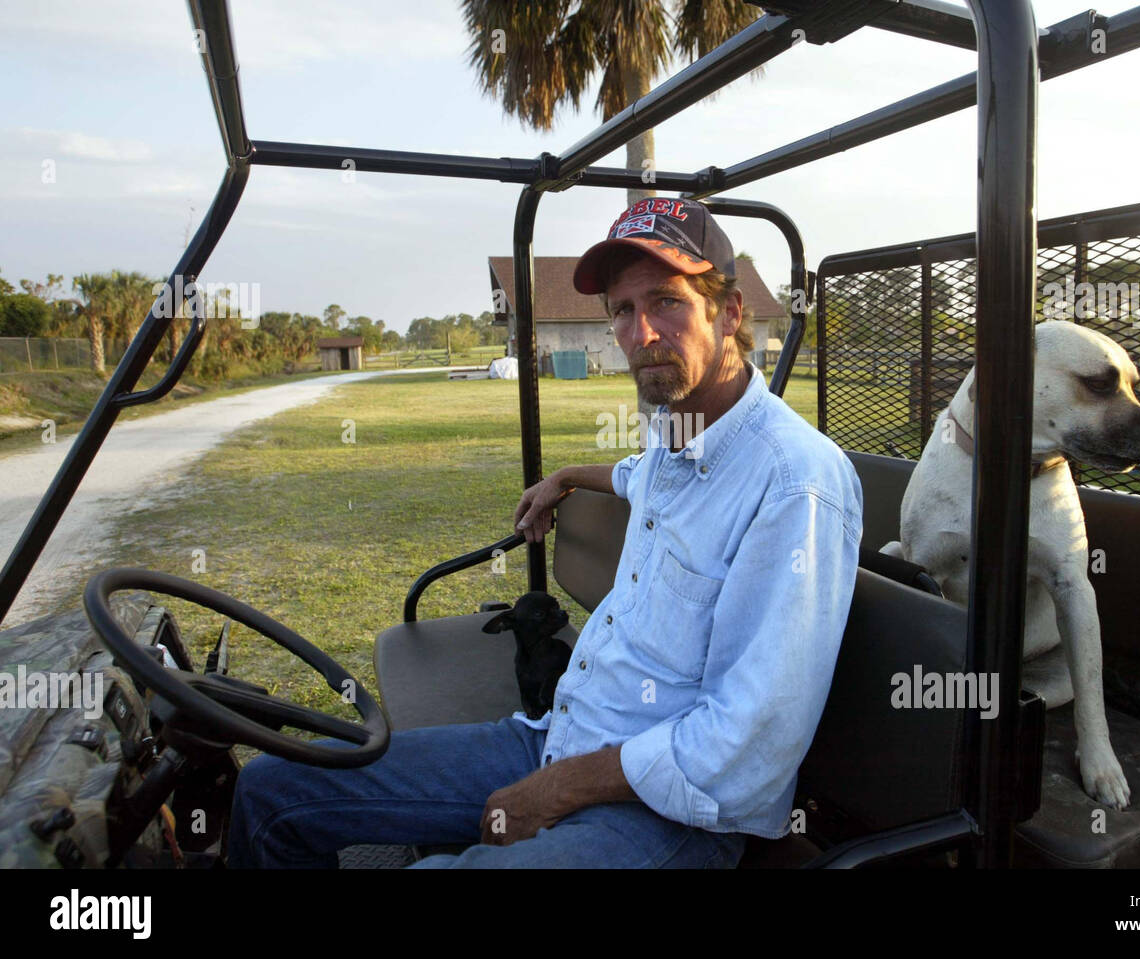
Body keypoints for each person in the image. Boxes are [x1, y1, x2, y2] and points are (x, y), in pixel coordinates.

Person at [226, 198, 863, 868]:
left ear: (730, 313)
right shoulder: (677, 434)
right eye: (621, 310)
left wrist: (551, 791)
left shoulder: (795, 483)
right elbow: (636, 473)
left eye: (667, 302)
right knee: (272, 788)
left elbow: (748, 748)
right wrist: (565, 475)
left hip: (672, 813)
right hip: (558, 736)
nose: (641, 330)